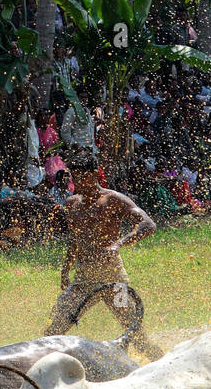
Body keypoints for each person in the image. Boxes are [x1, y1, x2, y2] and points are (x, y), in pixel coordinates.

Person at [46, 152, 160, 356]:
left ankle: (161, 363)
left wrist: (118, 244)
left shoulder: (113, 199)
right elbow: (75, 239)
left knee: (134, 333)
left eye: (81, 176)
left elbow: (148, 224)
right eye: (74, 176)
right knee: (53, 330)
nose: (76, 181)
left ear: (93, 175)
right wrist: (66, 268)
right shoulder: (72, 203)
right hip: (83, 279)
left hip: (113, 276)